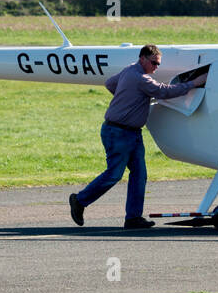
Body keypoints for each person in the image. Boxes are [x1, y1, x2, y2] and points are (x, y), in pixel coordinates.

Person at [70, 44, 206, 229]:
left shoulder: (129, 71)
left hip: (131, 133)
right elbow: (164, 91)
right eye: (154, 63)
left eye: (158, 64)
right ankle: (79, 200)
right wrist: (194, 83)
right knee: (114, 174)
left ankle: (133, 218)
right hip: (118, 132)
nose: (156, 68)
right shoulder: (141, 79)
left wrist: (127, 98)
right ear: (142, 58)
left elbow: (110, 83)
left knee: (139, 175)